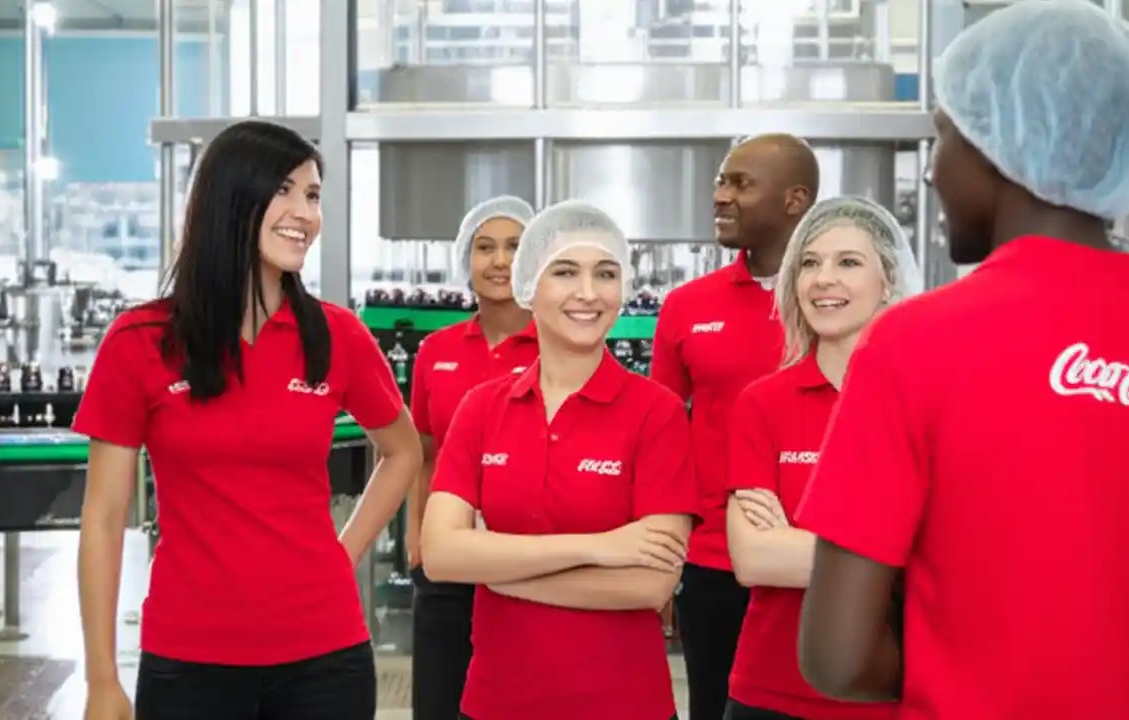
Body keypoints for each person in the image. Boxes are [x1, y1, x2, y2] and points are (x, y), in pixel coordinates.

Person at [796, 2, 1129, 718]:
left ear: (998, 146)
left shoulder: (915, 342)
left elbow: (836, 657)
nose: (931, 173)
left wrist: (964, 661)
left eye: (943, 136)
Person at [76, 120, 422, 720]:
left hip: (326, 659)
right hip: (189, 660)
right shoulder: (140, 341)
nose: (305, 214)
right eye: (284, 190)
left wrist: (342, 555)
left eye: (312, 195)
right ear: (229, 197)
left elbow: (404, 450)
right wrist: (102, 679)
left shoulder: (337, 335)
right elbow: (103, 519)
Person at [420, 200, 701, 720]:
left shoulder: (656, 412)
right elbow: (440, 554)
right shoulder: (482, 408)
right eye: (566, 271)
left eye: (606, 273)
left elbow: (650, 584)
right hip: (497, 703)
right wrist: (601, 546)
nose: (589, 292)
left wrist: (497, 572)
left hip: (623, 705)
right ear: (529, 284)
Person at [725, 196, 920, 720]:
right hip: (769, 693)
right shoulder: (762, 404)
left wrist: (794, 542)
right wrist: (898, 555)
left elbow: (951, 558)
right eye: (809, 263)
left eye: (848, 262)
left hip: (887, 694)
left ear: (889, 280)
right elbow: (754, 559)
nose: (823, 279)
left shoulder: (924, 403)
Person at [651, 132, 820, 720]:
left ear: (795, 199)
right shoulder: (687, 306)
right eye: (721, 181)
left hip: (823, 559)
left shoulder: (837, 302)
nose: (721, 196)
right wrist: (663, 557)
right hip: (712, 563)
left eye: (741, 183)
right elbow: (660, 440)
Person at [406, 195, 538, 720]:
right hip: (447, 562)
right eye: (485, 248)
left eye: (515, 247)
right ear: (467, 258)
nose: (500, 260)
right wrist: (416, 535)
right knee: (441, 700)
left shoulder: (558, 347)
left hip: (529, 561)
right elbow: (422, 451)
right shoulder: (435, 351)